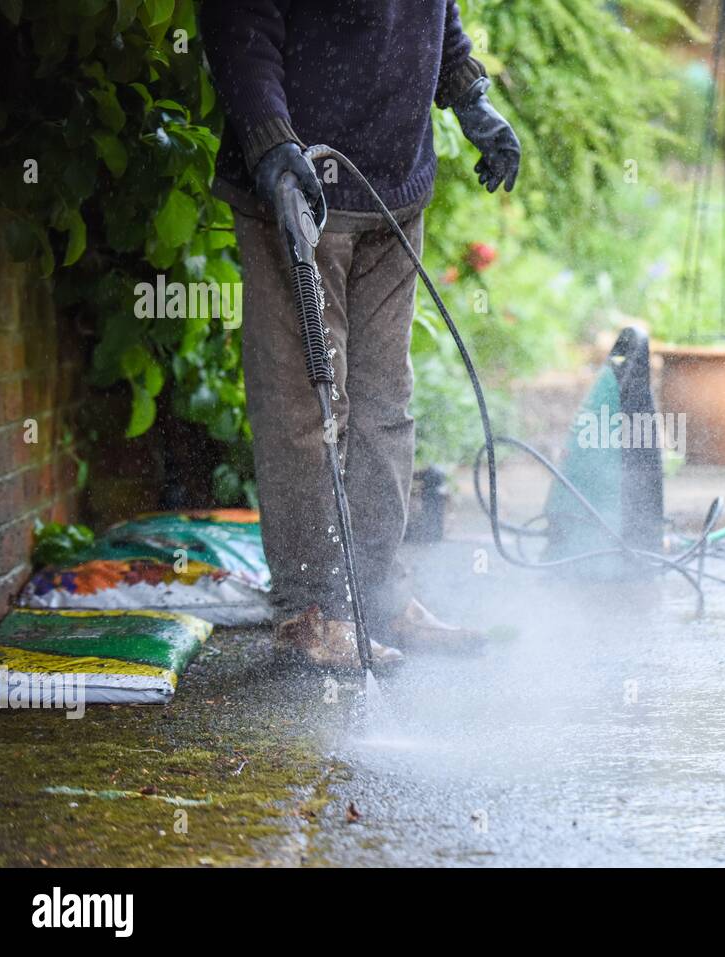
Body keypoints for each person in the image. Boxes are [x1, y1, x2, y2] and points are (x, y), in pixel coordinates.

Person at [200, 1, 520, 667]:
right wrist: (268, 141)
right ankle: (310, 612)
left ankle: (377, 597)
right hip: (298, 189)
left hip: (393, 190)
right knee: (306, 410)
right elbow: (240, 20)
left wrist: (470, 100)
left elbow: (435, 14)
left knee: (385, 405)